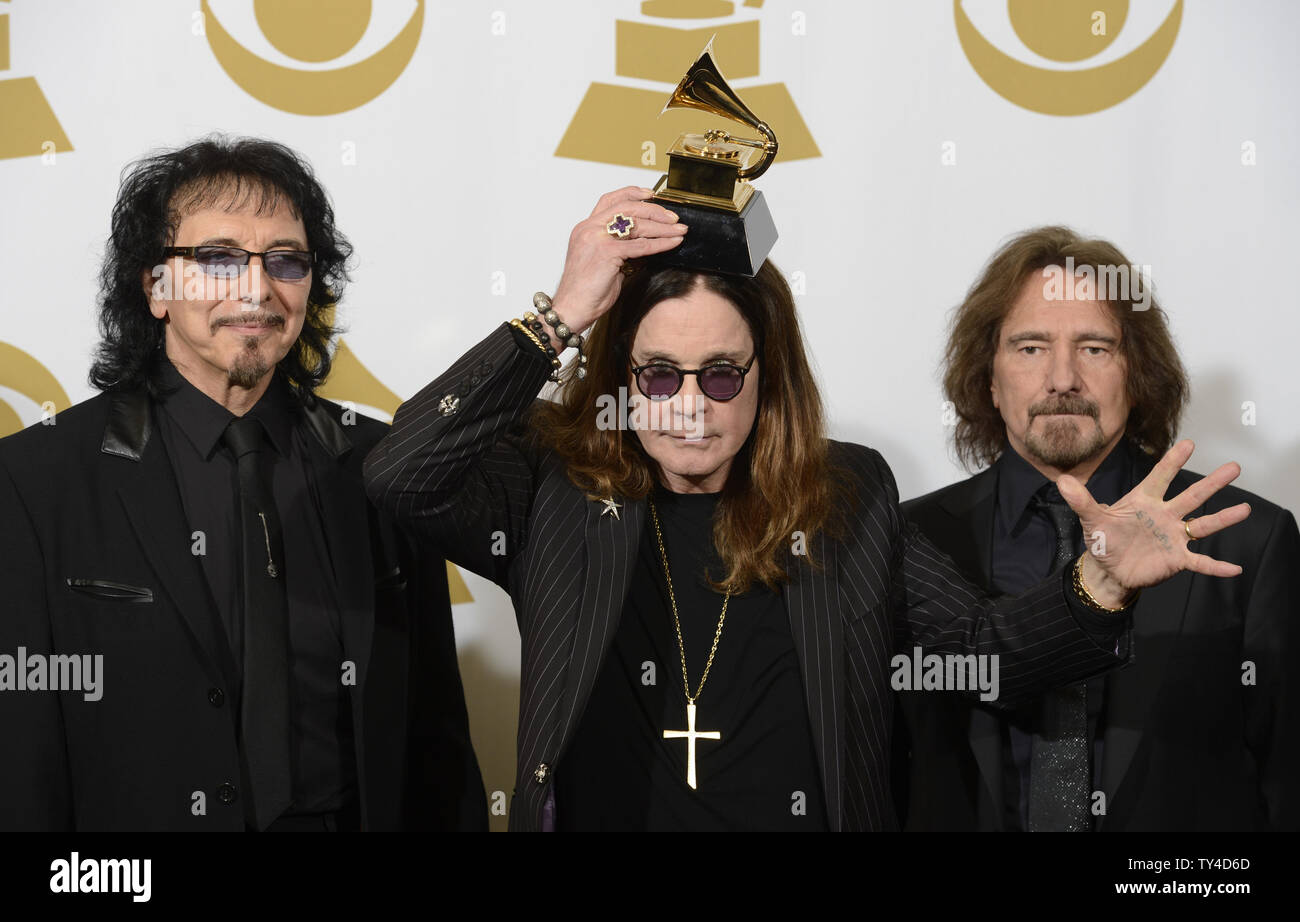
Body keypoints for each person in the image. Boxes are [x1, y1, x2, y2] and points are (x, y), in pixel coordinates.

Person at [364, 188, 1251, 831]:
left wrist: (1097, 583)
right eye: (659, 375)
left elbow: (980, 658)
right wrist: (560, 314)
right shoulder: (555, 487)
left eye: (721, 375)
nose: (691, 406)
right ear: (623, 378)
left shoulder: (845, 498)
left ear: (766, 375)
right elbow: (403, 473)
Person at [0, 136, 485, 831]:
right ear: (155, 286)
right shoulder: (34, 480)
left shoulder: (385, 470)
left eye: (284, 261)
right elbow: (20, 762)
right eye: (217, 259)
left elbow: (436, 742)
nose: (255, 289)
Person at [894, 226, 1298, 831]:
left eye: (1095, 348)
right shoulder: (909, 538)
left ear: (1139, 375)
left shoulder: (1249, 542)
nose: (1062, 379)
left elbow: (1288, 783)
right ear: (988, 380)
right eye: (1030, 348)